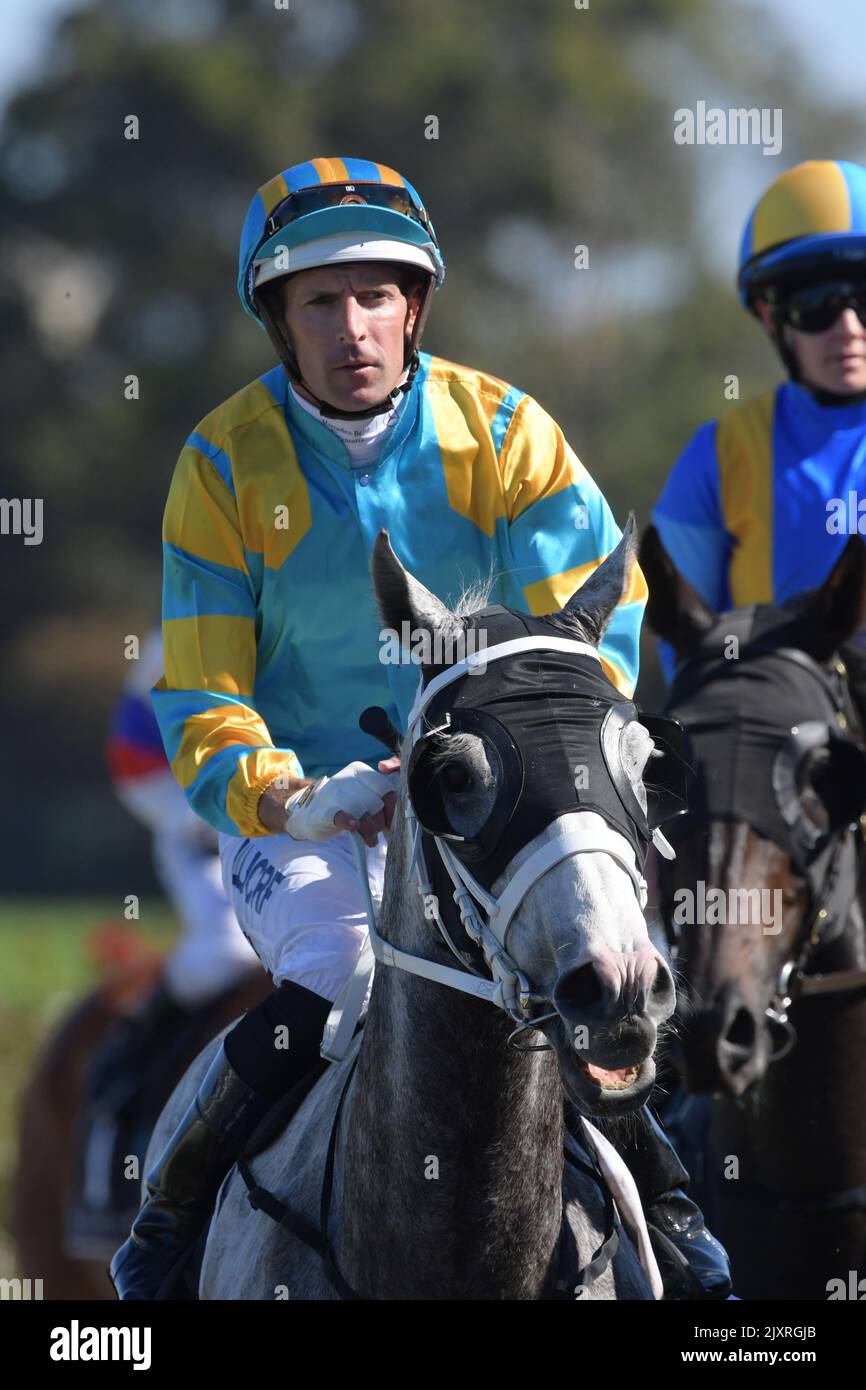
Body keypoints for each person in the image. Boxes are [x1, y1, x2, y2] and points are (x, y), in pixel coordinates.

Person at [109, 155, 730, 1300]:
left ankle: (674, 1220)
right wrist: (294, 797)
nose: (354, 327)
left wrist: (495, 773)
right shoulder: (217, 463)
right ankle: (167, 1220)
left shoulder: (506, 430)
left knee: (582, 965)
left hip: (494, 803)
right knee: (344, 975)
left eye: (376, 295)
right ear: (278, 321)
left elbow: (584, 641)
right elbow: (200, 696)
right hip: (300, 817)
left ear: (415, 306)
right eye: (319, 300)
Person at [65, 630, 262, 1256]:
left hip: (314, 833)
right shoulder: (179, 635)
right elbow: (133, 756)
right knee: (231, 949)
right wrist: (197, 816)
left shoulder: (320, 595)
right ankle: (134, 1052)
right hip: (204, 837)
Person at [652, 159, 866, 712]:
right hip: (777, 762)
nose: (848, 328)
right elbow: (683, 647)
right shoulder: (718, 456)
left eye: (864, 299)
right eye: (818, 305)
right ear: (772, 317)